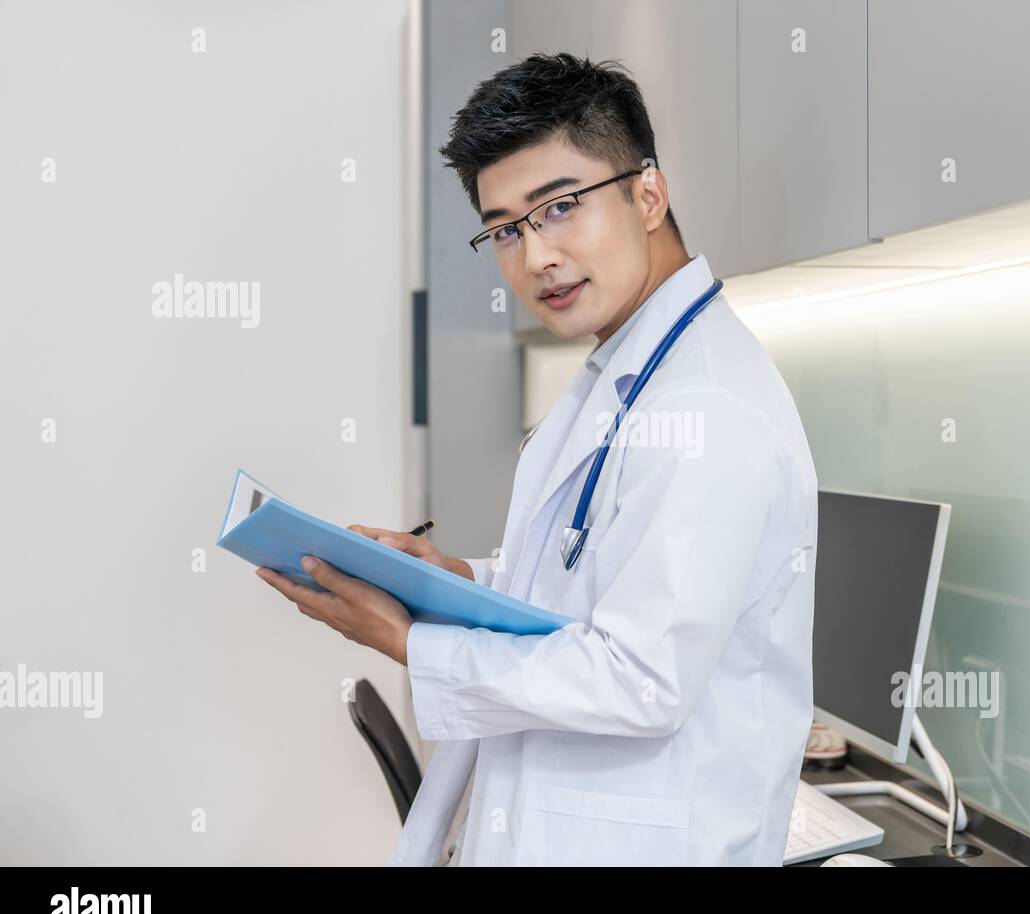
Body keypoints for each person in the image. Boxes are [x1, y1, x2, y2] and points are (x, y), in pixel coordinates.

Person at [256, 52, 818, 866]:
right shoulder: (620, 374)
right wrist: (456, 579)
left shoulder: (708, 406)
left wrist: (414, 642)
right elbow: (590, 582)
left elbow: (641, 677)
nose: (535, 256)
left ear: (649, 194)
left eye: (559, 208)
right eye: (508, 229)